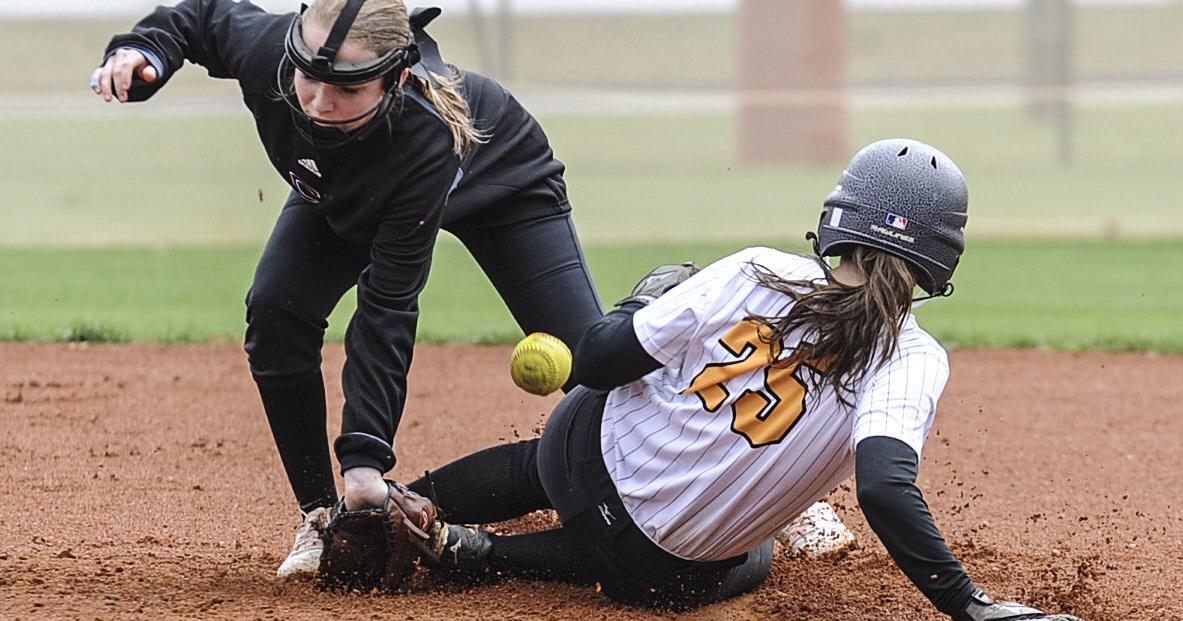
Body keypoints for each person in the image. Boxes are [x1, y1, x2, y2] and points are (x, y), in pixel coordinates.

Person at [377, 139, 1081, 620]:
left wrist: (639, 305)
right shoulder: (913, 355)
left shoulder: (754, 269)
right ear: (941, 258)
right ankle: (489, 554)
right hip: (652, 570)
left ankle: (396, 503)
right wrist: (965, 602)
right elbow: (883, 489)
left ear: (837, 216)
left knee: (547, 459)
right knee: (746, 552)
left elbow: (594, 362)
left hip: (578, 454)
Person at [91, 0, 604, 578]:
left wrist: (363, 460)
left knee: (592, 361)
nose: (318, 102)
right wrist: (144, 49)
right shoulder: (272, 56)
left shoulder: (425, 132)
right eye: (309, 77)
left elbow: (386, 307)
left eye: (348, 89)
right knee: (276, 311)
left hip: (502, 184)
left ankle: (640, 490)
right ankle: (317, 517)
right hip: (348, 187)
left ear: (396, 78)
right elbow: (205, 16)